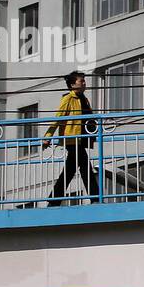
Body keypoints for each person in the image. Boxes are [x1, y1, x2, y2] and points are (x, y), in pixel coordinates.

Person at [43, 70, 101, 205]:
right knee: (86, 167)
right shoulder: (68, 99)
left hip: (81, 139)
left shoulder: (84, 99)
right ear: (73, 84)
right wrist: (48, 136)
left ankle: (54, 200)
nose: (84, 83)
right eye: (81, 81)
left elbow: (89, 119)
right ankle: (95, 198)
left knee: (70, 170)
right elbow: (58, 118)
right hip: (72, 139)